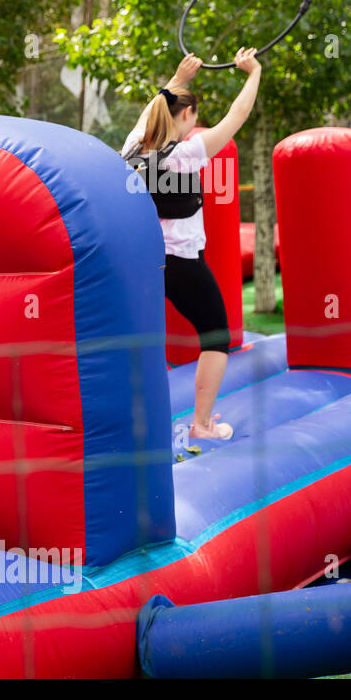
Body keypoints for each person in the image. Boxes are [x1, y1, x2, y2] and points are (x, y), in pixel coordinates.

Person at [121, 48, 263, 439]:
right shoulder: (184, 156)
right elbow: (238, 116)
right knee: (215, 336)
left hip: (139, 264)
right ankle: (201, 425)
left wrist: (178, 80)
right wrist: (253, 73)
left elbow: (150, 116)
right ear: (186, 116)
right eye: (194, 115)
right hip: (181, 264)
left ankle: (125, 425)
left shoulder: (132, 149)